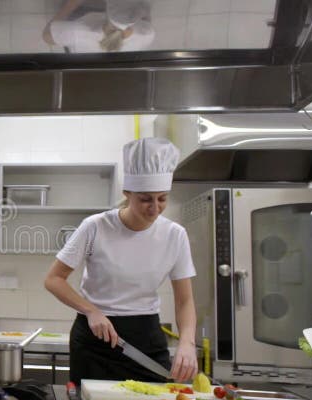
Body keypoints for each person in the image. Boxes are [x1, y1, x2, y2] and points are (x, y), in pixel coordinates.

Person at [44, 137, 198, 384]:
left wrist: (187, 343)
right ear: (127, 193)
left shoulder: (175, 235)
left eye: (162, 198)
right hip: (96, 339)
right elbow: (53, 279)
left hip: (146, 337)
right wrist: (91, 310)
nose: (155, 208)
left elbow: (185, 300)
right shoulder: (95, 227)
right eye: (145, 199)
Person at [43, 0, 154, 53]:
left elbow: (46, 36)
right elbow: (146, 18)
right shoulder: (147, 34)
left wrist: (71, 4)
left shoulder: (78, 32)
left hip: (78, 41)